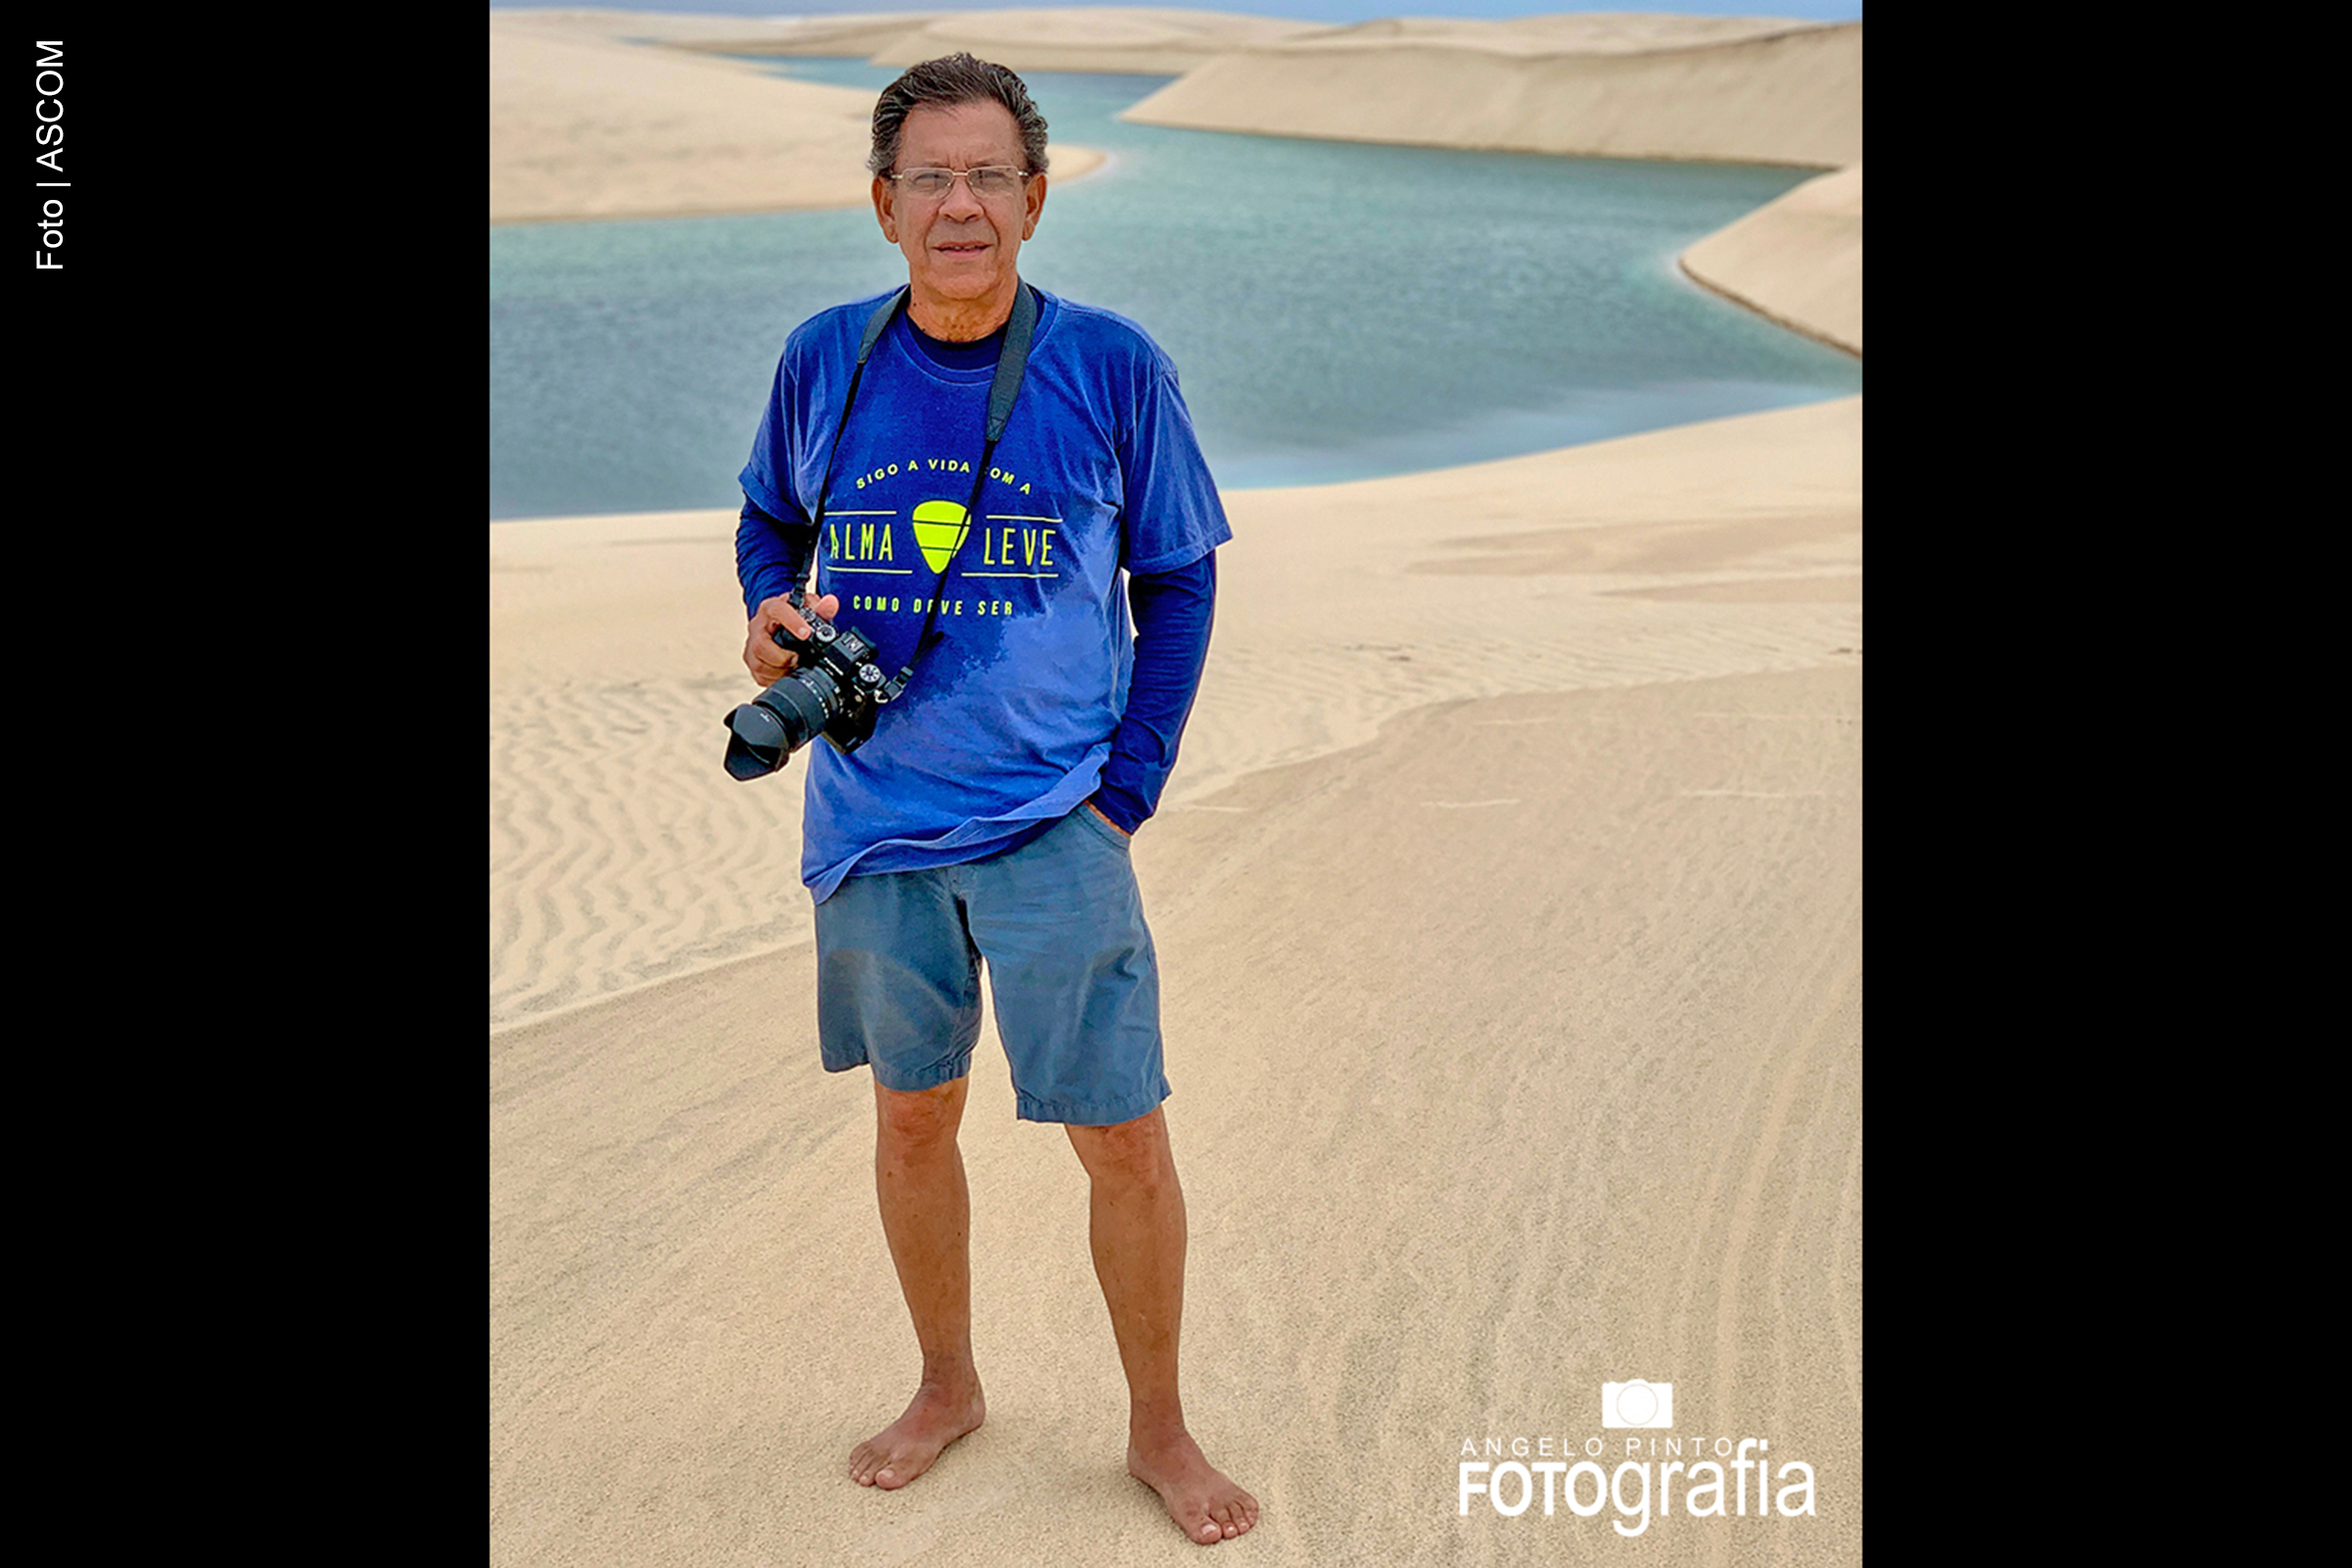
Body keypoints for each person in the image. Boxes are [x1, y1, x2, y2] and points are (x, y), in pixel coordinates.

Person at [733, 54, 1258, 1547]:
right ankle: (947, 1386)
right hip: (871, 826)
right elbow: (770, 518)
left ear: (1035, 199)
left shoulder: (1110, 365)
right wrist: (774, 607)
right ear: (884, 204)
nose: (958, 204)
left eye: (987, 178)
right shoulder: (823, 357)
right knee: (913, 1119)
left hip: (1056, 825)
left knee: (1123, 1138)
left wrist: (1126, 797)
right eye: (929, 179)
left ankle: (1158, 1426)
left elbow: (1179, 575)